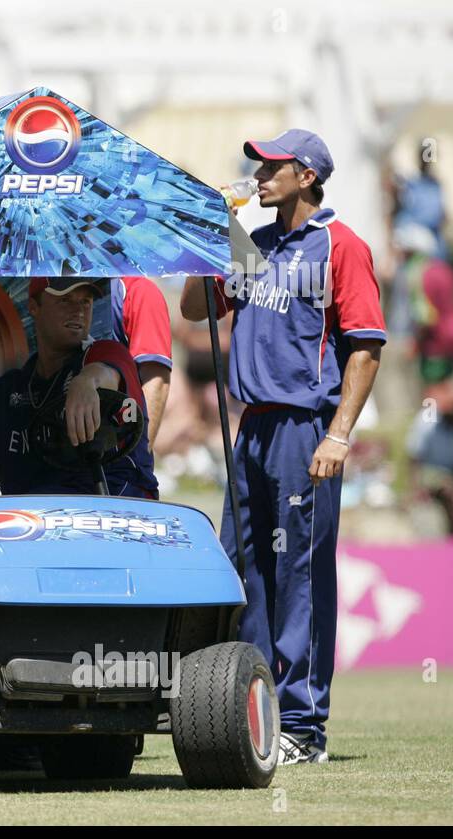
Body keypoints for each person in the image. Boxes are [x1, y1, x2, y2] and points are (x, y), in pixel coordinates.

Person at [180, 128, 384, 765]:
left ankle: (304, 726)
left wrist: (339, 434)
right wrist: (214, 229)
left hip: (305, 429)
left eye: (272, 166)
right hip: (254, 430)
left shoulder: (341, 245)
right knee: (243, 569)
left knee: (299, 575)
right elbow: (193, 307)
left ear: (307, 175)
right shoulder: (256, 243)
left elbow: (367, 347)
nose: (258, 173)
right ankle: (256, 710)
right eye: (258, 164)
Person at [0, 278, 158, 499]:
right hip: (30, 521)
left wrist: (86, 382)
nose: (78, 311)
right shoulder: (6, 391)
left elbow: (107, 369)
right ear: (34, 307)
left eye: (86, 301)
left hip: (116, 511)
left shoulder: (104, 353)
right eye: (65, 300)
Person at [391, 223, 453, 385]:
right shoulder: (442, 269)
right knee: (447, 385)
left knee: (434, 393)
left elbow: (424, 316)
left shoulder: (418, 273)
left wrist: (416, 343)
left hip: (435, 341)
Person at [406, 381, 453, 536]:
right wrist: (415, 488)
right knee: (446, 489)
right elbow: (414, 457)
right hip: (430, 473)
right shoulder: (426, 423)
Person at [106, 277, 172, 450]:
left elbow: (155, 381)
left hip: (117, 450)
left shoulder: (139, 291)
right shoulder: (55, 285)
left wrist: (138, 451)